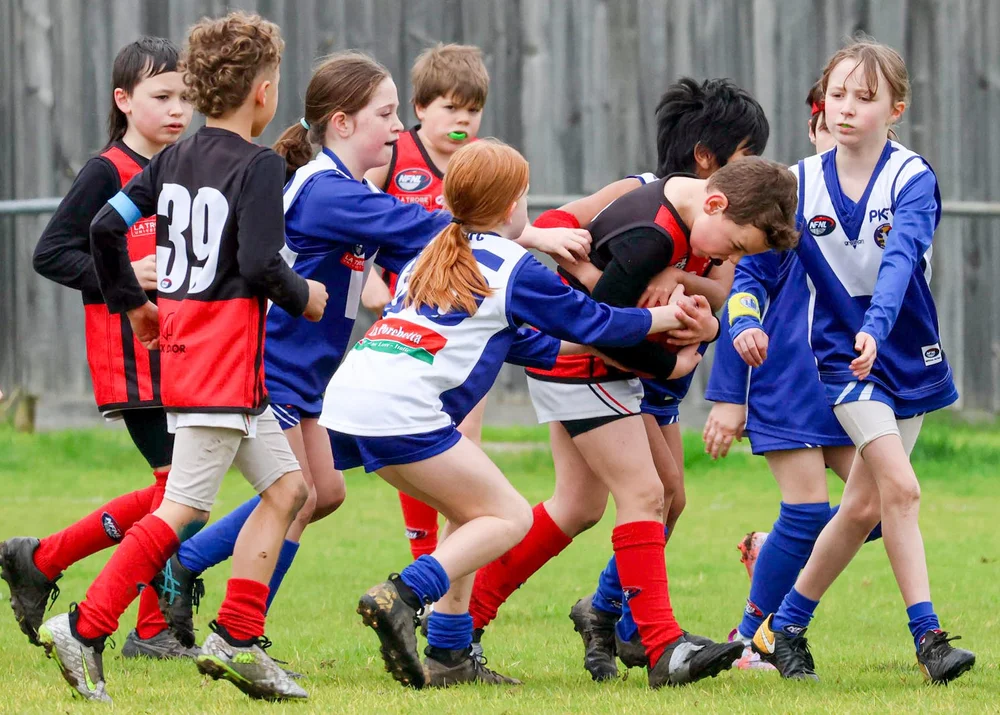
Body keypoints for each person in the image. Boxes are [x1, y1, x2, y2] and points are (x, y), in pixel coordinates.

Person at [320, 138, 714, 689]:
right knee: (509, 517)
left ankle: (450, 654)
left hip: (350, 401)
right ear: (513, 206)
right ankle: (403, 595)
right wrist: (665, 322)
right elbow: (595, 320)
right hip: (403, 412)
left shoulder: (433, 251)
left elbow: (529, 344)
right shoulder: (513, 265)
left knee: (467, 513)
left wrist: (620, 342)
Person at [36, 12, 328, 702]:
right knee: (181, 509)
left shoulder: (172, 160)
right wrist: (306, 297)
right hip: (220, 362)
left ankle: (237, 637)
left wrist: (135, 305)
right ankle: (84, 625)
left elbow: (104, 227)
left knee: (290, 491)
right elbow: (260, 264)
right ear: (263, 92)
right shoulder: (257, 165)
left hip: (205, 361)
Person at [745, 37, 975, 684]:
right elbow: (755, 260)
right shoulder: (797, 182)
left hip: (907, 351)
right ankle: (929, 639)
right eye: (837, 94)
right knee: (902, 488)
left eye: (865, 97)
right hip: (844, 360)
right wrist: (740, 316)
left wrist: (877, 326)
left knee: (862, 508)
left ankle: (782, 628)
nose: (845, 108)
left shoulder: (913, 178)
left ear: (896, 109)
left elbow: (901, 260)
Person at [2, 37, 193, 660]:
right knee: (178, 493)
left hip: (186, 354)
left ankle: (43, 561)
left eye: (186, 97)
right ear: (124, 100)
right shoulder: (107, 172)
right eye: (162, 96)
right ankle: (149, 629)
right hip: (133, 361)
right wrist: (125, 274)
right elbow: (51, 253)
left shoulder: (188, 169)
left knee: (178, 493)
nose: (177, 109)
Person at [362, 42, 592, 561]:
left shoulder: (486, 161)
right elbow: (357, 219)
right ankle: (425, 557)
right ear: (420, 108)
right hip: (412, 325)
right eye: (450, 108)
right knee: (417, 439)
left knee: (462, 446)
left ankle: (451, 566)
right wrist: (370, 284)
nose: (462, 120)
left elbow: (500, 226)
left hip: (470, 329)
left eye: (473, 109)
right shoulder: (393, 155)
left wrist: (542, 237)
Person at [702, 81, 872, 671]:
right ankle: (750, 637)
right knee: (806, 511)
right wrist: (729, 394)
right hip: (788, 385)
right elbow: (743, 287)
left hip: (847, 383)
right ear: (814, 132)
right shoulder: (782, 212)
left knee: (878, 505)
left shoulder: (881, 208)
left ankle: (773, 550)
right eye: (829, 129)